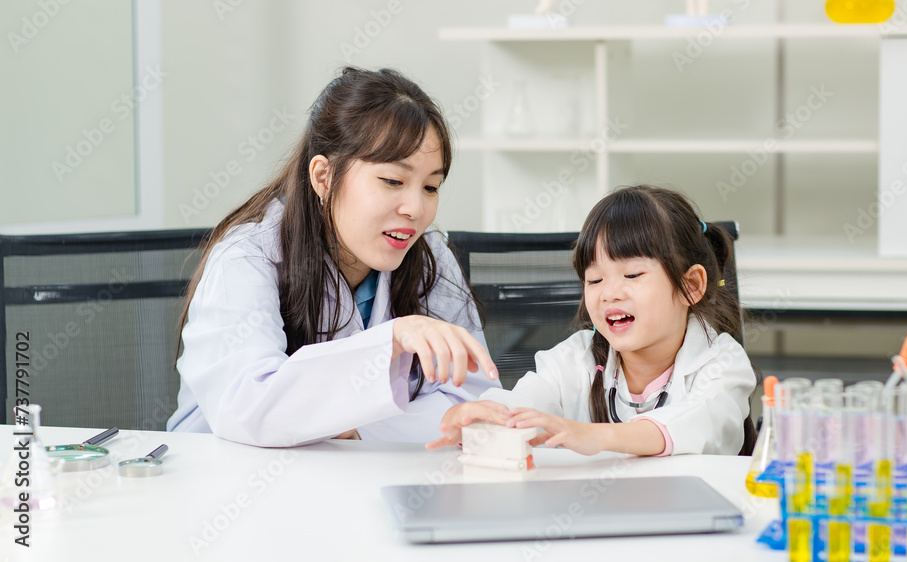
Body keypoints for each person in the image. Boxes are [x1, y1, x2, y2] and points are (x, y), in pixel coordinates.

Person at [167, 67, 500, 447]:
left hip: (358, 483)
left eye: (430, 187)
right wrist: (394, 339)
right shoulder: (246, 259)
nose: (415, 208)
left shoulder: (429, 256)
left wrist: (359, 427)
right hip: (226, 485)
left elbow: (476, 401)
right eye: (393, 181)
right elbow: (251, 409)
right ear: (323, 177)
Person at [427, 185, 756, 456]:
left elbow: (695, 423)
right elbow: (523, 401)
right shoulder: (577, 358)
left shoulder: (722, 362)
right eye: (594, 280)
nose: (609, 293)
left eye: (632, 274)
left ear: (690, 286)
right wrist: (481, 417)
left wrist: (595, 436)